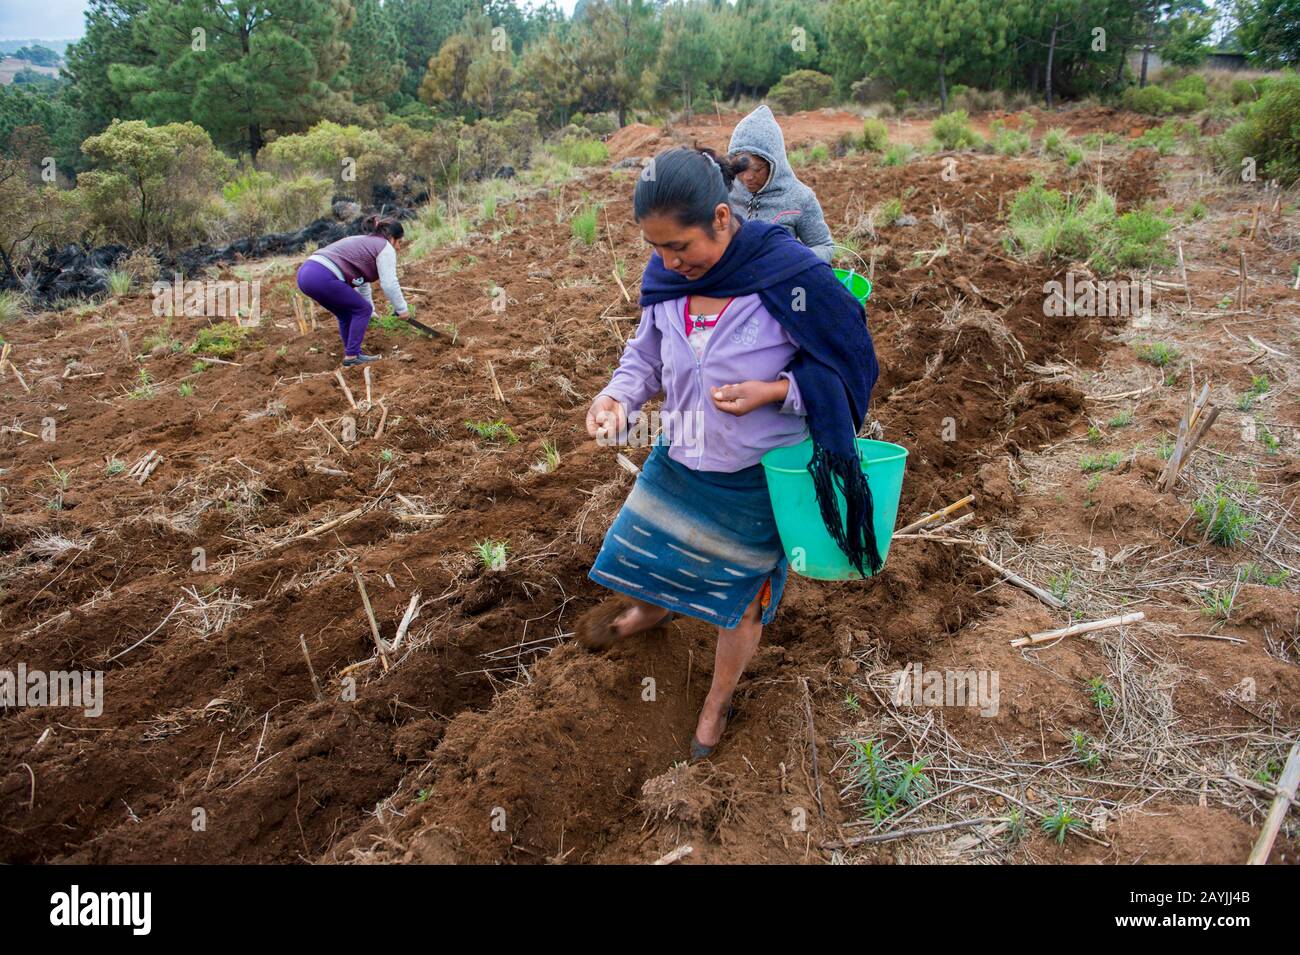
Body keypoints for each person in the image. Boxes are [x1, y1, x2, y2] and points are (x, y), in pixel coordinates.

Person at [577, 146, 879, 762]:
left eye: (679, 247)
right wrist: (617, 399)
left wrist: (776, 390)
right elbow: (644, 358)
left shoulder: (786, 277)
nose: (667, 261)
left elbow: (844, 369)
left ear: (720, 217)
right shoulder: (666, 283)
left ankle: (716, 704)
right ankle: (650, 612)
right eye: (656, 249)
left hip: (756, 476)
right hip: (681, 455)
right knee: (653, 555)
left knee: (738, 602)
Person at [295, 215, 410, 367]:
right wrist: (402, 309)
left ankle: (352, 354)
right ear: (391, 237)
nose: (399, 247)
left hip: (306, 273)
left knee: (346, 313)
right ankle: (352, 356)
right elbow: (389, 283)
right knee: (362, 309)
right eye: (399, 242)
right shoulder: (385, 247)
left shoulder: (366, 242)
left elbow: (362, 282)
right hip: (322, 274)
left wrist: (372, 312)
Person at [727, 104, 835, 262]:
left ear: (774, 164)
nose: (748, 177)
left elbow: (824, 246)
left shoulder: (800, 198)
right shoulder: (725, 189)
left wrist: (793, 258)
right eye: (741, 169)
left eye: (757, 169)